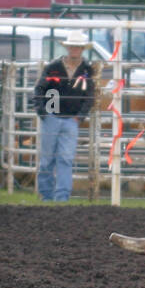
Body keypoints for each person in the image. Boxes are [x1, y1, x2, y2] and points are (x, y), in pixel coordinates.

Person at [31, 29, 95, 201]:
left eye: (78, 47)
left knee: (65, 159)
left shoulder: (86, 70)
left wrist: (79, 116)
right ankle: (47, 195)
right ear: (68, 48)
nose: (75, 50)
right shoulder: (54, 68)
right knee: (47, 160)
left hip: (70, 119)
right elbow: (39, 89)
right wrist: (43, 112)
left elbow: (89, 96)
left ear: (82, 49)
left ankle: (61, 196)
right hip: (53, 116)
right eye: (73, 47)